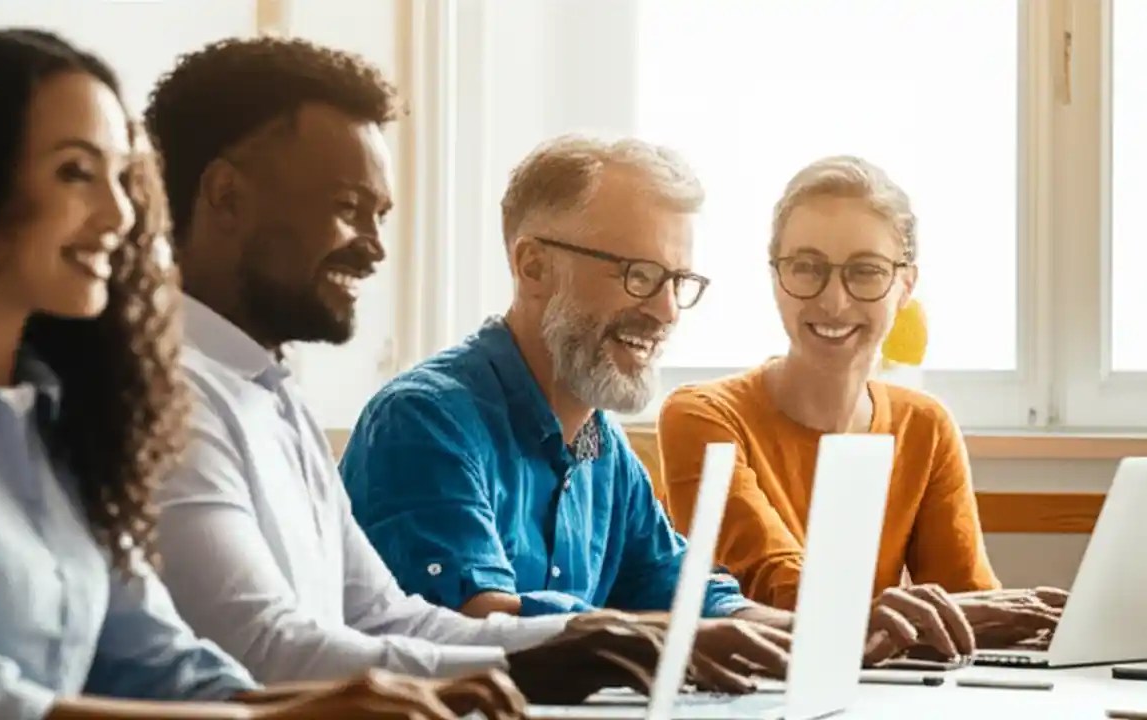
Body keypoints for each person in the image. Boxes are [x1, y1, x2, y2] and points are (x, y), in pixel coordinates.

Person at [0, 27, 524, 720]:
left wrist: (374, 699)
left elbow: (165, 664)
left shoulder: (65, 421)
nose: (121, 214)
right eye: (77, 172)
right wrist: (270, 717)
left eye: (121, 176)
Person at [143, 36, 721, 703]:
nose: (376, 249)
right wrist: (549, 652)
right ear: (225, 195)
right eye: (347, 208)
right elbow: (262, 650)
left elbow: (387, 617)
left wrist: (582, 637)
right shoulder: (163, 395)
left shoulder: (273, 395)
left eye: (381, 216)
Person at [340, 135, 977, 667]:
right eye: (638, 275)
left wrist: (838, 632)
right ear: (532, 267)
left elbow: (696, 598)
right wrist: (680, 636)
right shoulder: (425, 421)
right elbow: (476, 627)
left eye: (679, 281)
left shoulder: (603, 447)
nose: (667, 310)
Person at [656, 155, 1067, 649]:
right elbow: (771, 582)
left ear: (905, 285)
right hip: (753, 688)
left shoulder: (925, 425)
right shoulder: (700, 416)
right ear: (774, 276)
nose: (834, 301)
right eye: (806, 268)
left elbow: (970, 606)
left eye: (866, 272)